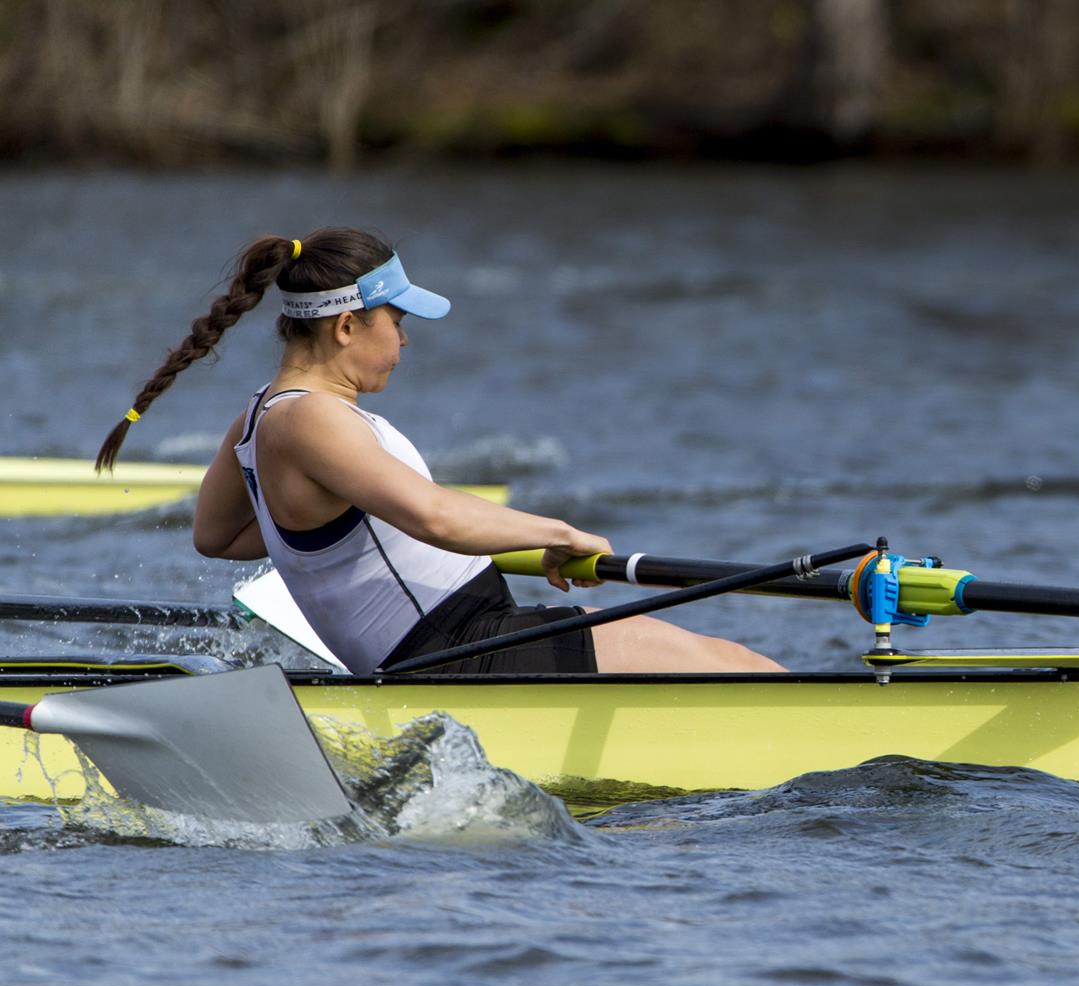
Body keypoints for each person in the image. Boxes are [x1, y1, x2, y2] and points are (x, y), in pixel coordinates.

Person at [97, 228, 781, 675]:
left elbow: (218, 537)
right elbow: (437, 520)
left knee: (716, 656)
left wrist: (334, 538)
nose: (405, 341)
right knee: (737, 667)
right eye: (397, 323)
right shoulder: (309, 422)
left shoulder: (256, 418)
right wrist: (559, 532)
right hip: (459, 650)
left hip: (462, 639)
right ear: (345, 327)